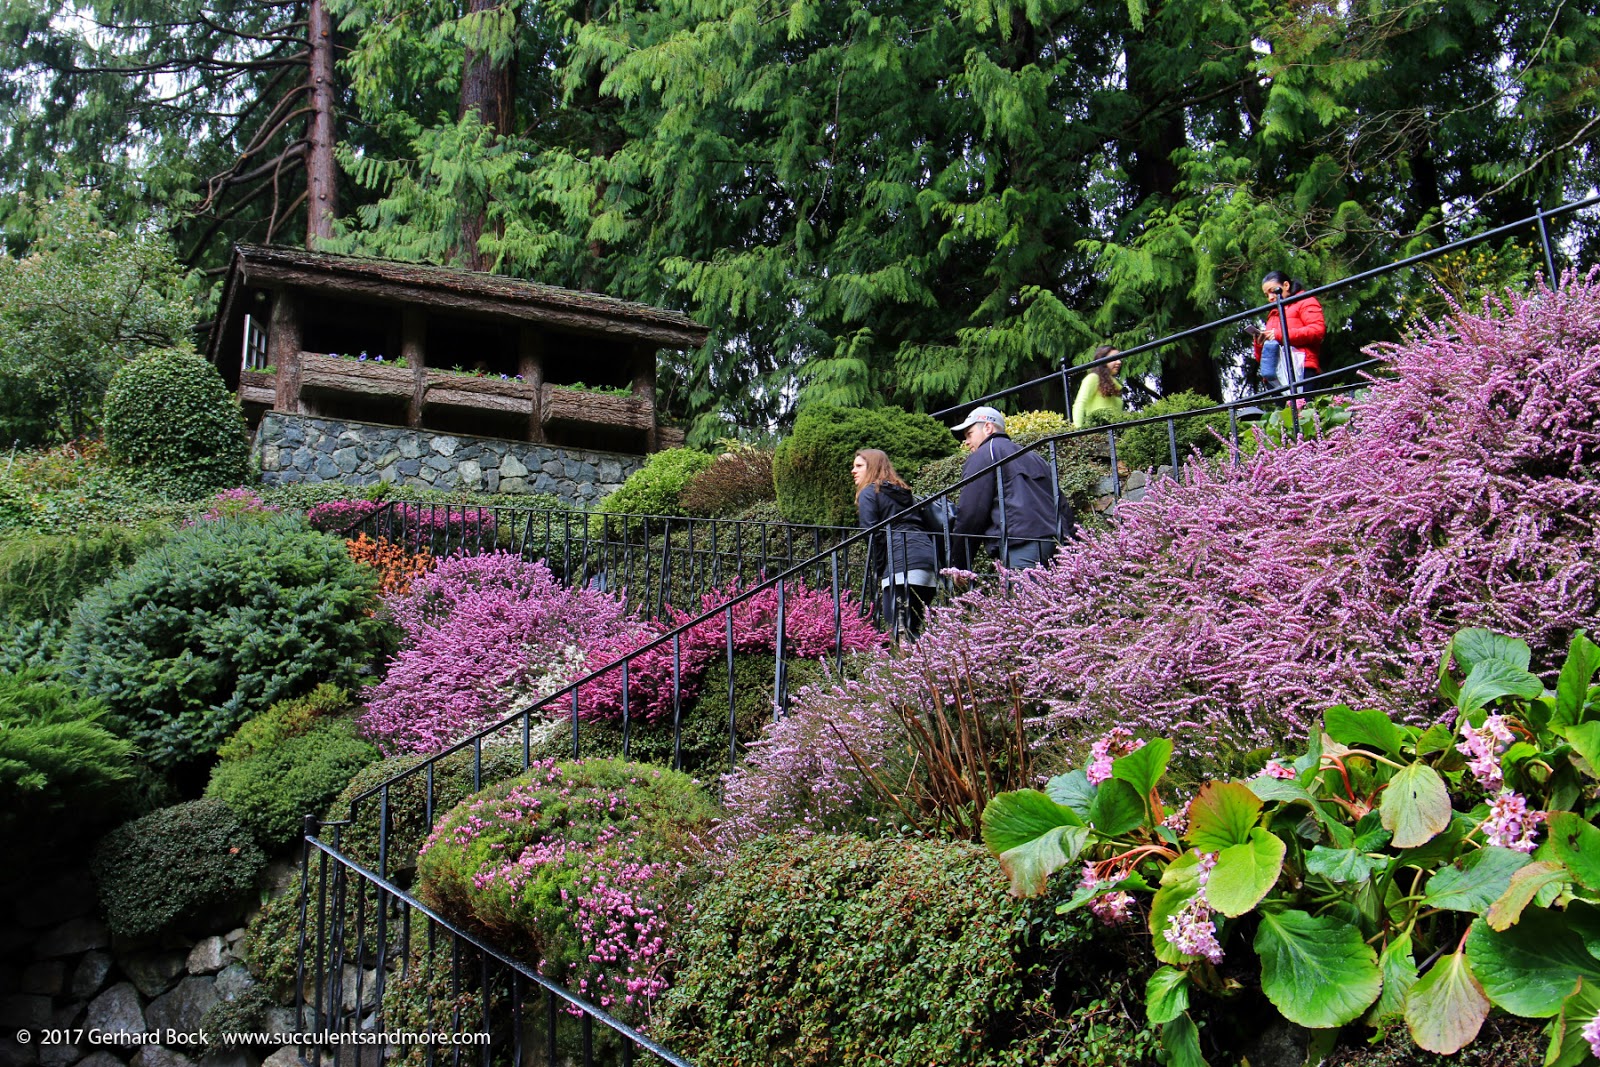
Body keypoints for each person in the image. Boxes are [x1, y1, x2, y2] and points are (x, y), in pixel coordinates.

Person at [949, 406, 1058, 571]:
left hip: (1019, 545)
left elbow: (971, 512)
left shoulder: (985, 454)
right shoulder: (1032, 456)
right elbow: (1059, 501)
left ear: (988, 427)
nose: (966, 442)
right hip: (1053, 544)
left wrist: (960, 564)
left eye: (969, 434)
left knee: (1024, 595)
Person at [852, 449, 938, 637]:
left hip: (901, 564)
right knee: (912, 631)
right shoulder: (902, 493)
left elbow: (872, 534)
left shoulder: (869, 492)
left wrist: (880, 570)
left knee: (900, 635)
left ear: (872, 468)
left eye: (859, 466)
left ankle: (905, 666)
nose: (853, 470)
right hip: (927, 562)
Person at [1254, 271, 1325, 394]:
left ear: (1286, 285)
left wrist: (1279, 335)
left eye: (1273, 291)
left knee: (1304, 410)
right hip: (1275, 373)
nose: (1270, 298)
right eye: (1266, 295)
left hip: (1302, 367)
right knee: (1284, 413)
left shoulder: (1305, 301)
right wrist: (1259, 343)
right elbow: (1261, 358)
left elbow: (1317, 331)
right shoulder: (1273, 314)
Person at [1071, 346, 1125, 426]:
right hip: (1099, 433)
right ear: (1103, 360)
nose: (1119, 362)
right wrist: (1077, 433)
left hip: (1115, 434)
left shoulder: (1116, 384)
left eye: (1119, 358)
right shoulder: (1093, 378)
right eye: (1114, 358)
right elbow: (1080, 404)